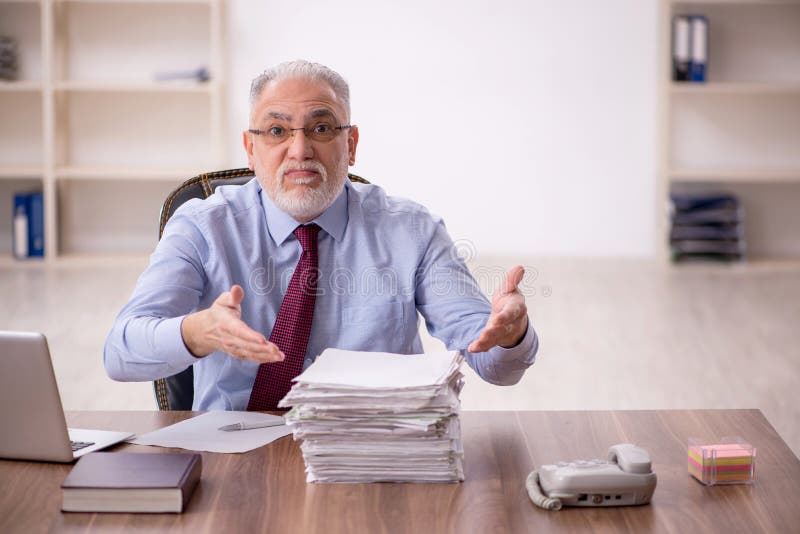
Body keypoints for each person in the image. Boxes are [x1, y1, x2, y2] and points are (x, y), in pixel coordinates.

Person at [104, 60, 539, 411]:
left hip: (373, 447)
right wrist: (197, 332)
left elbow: (492, 362)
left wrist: (510, 335)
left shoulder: (412, 231)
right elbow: (120, 351)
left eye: (322, 128)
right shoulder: (201, 227)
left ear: (350, 145)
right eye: (277, 131)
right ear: (250, 149)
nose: (300, 149)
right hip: (235, 452)